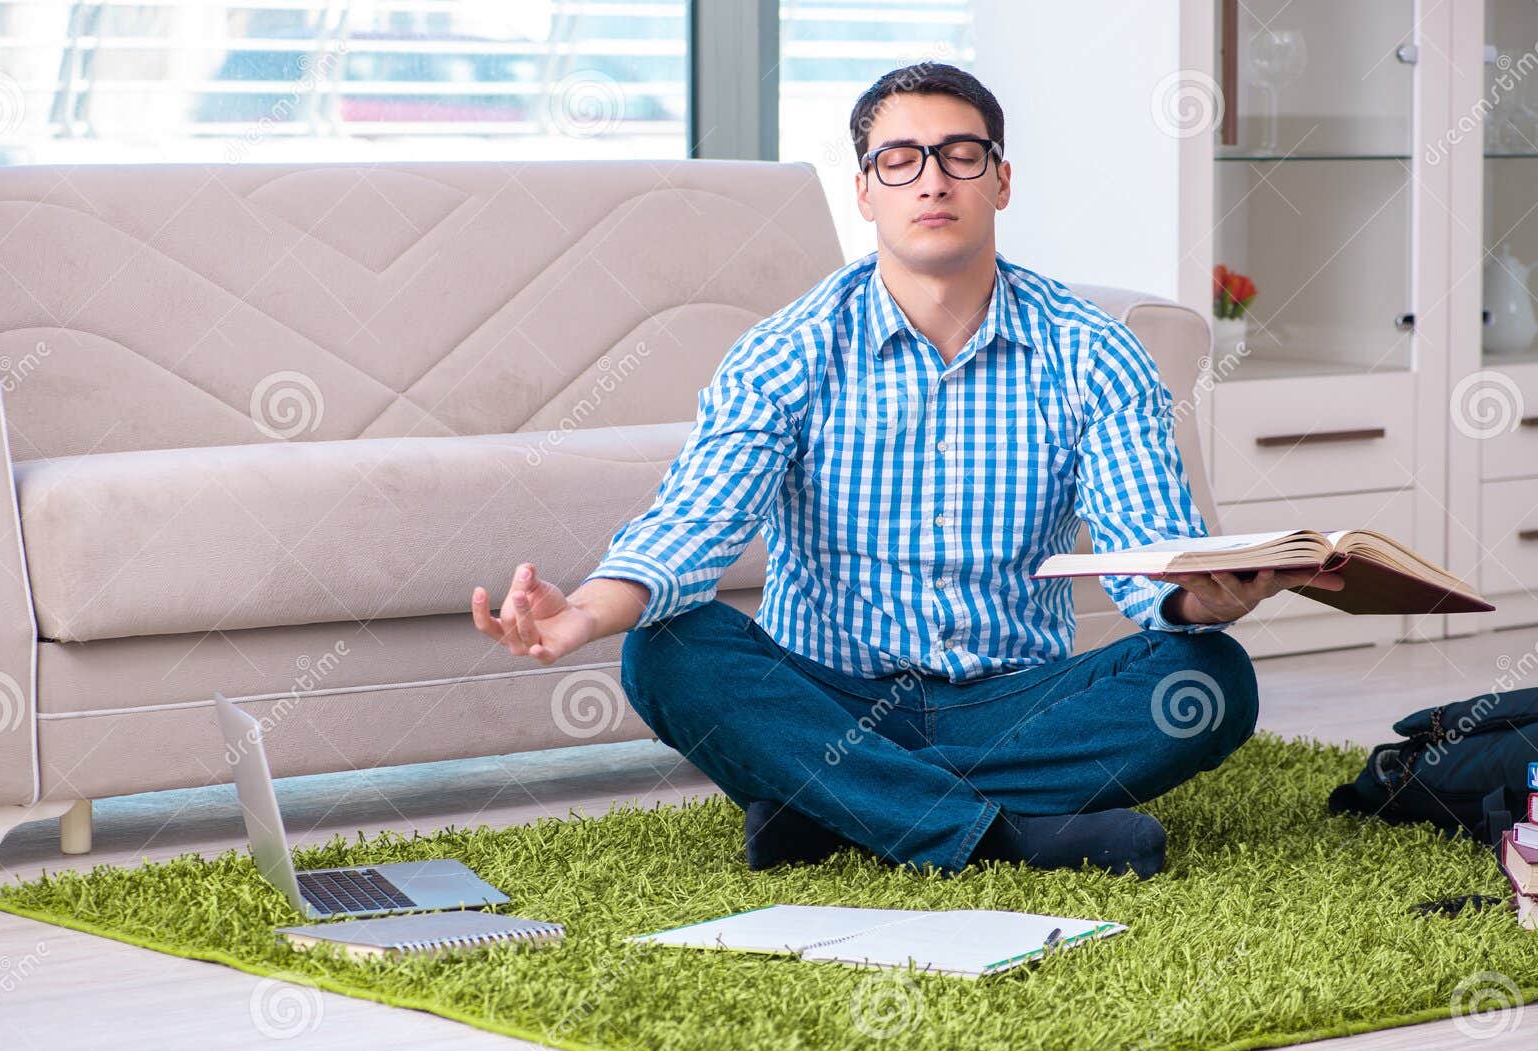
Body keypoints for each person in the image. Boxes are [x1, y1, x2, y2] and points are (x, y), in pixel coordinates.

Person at [471, 62, 1343, 880]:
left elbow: (1148, 547)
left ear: (1000, 181)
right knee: (666, 653)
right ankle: (998, 833)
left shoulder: (1092, 351)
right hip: (829, 696)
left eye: (962, 156)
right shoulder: (789, 350)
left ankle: (830, 808)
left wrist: (1203, 597)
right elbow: (695, 524)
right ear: (865, 192)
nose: (933, 180)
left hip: (1011, 700)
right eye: (900, 160)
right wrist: (584, 612)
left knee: (1208, 677)